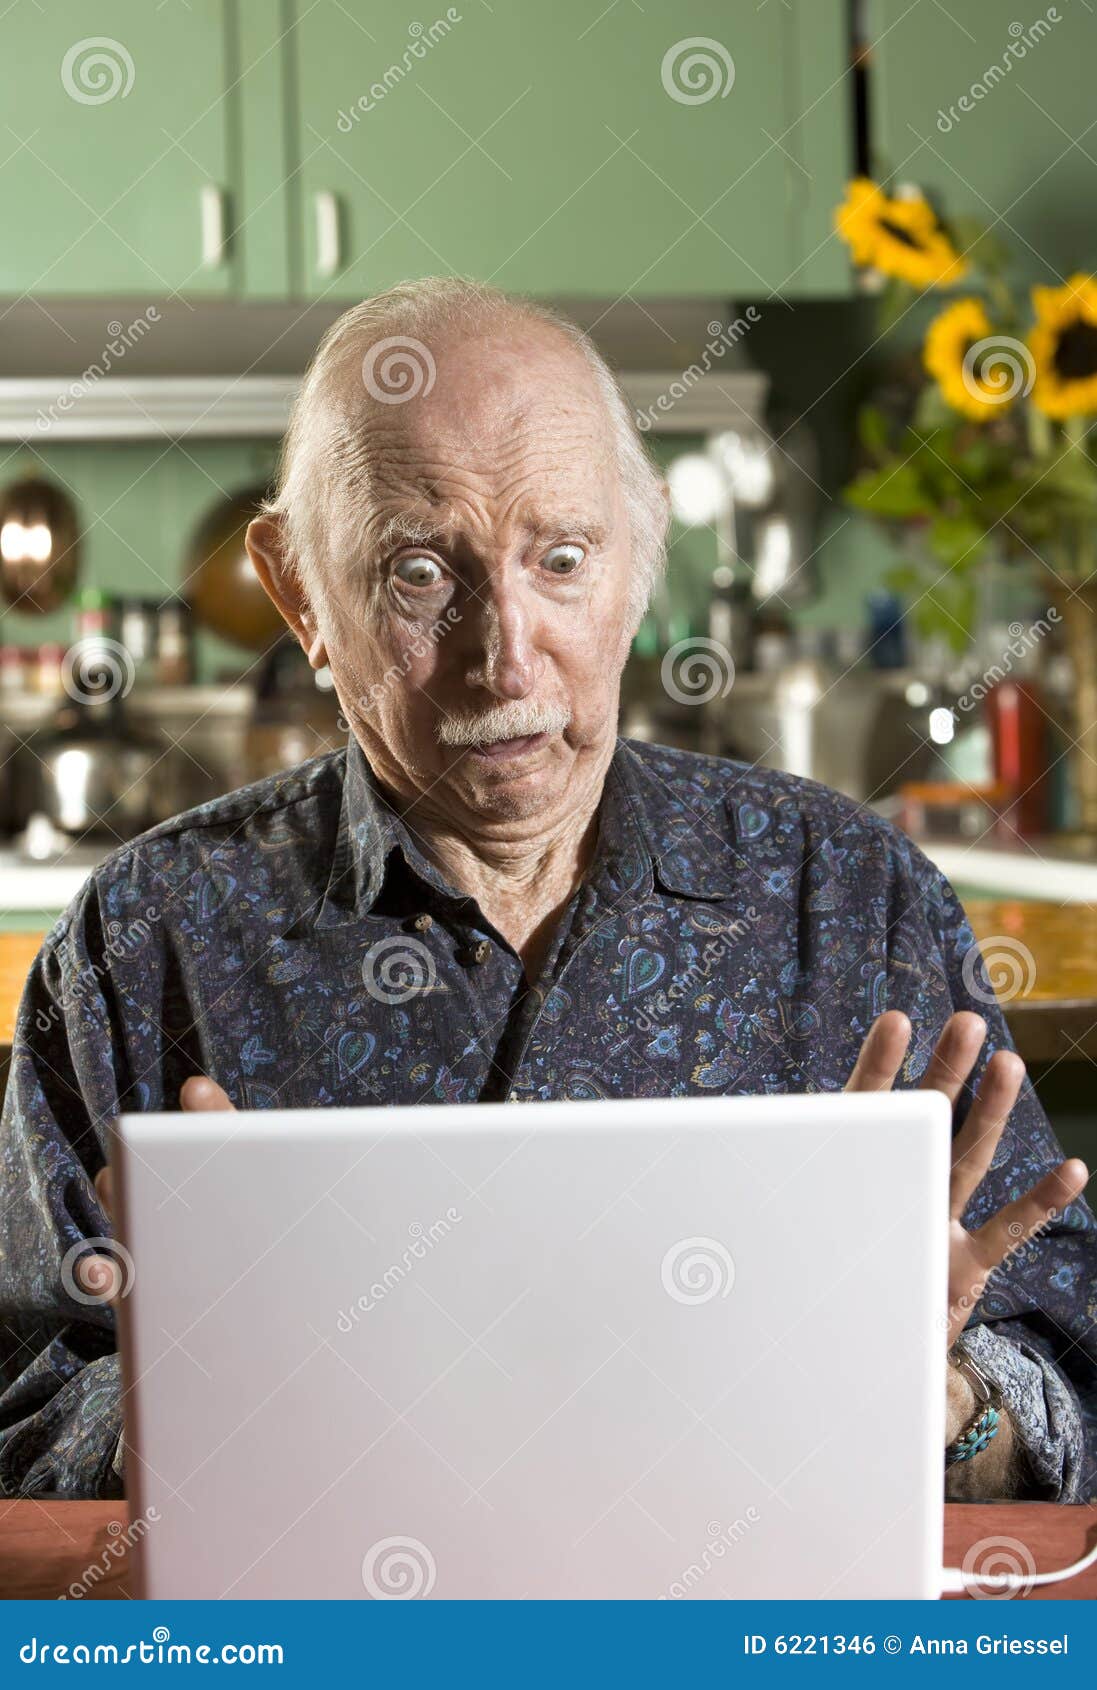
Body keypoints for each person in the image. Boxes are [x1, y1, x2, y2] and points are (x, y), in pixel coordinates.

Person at [0, 280, 1093, 1504]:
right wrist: (182, 1409)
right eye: (420, 572)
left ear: (638, 554)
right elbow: (22, 1415)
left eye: (560, 559)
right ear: (300, 592)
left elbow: (1069, 1399)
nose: (505, 655)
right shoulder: (146, 939)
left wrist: (939, 1409)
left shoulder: (850, 897)